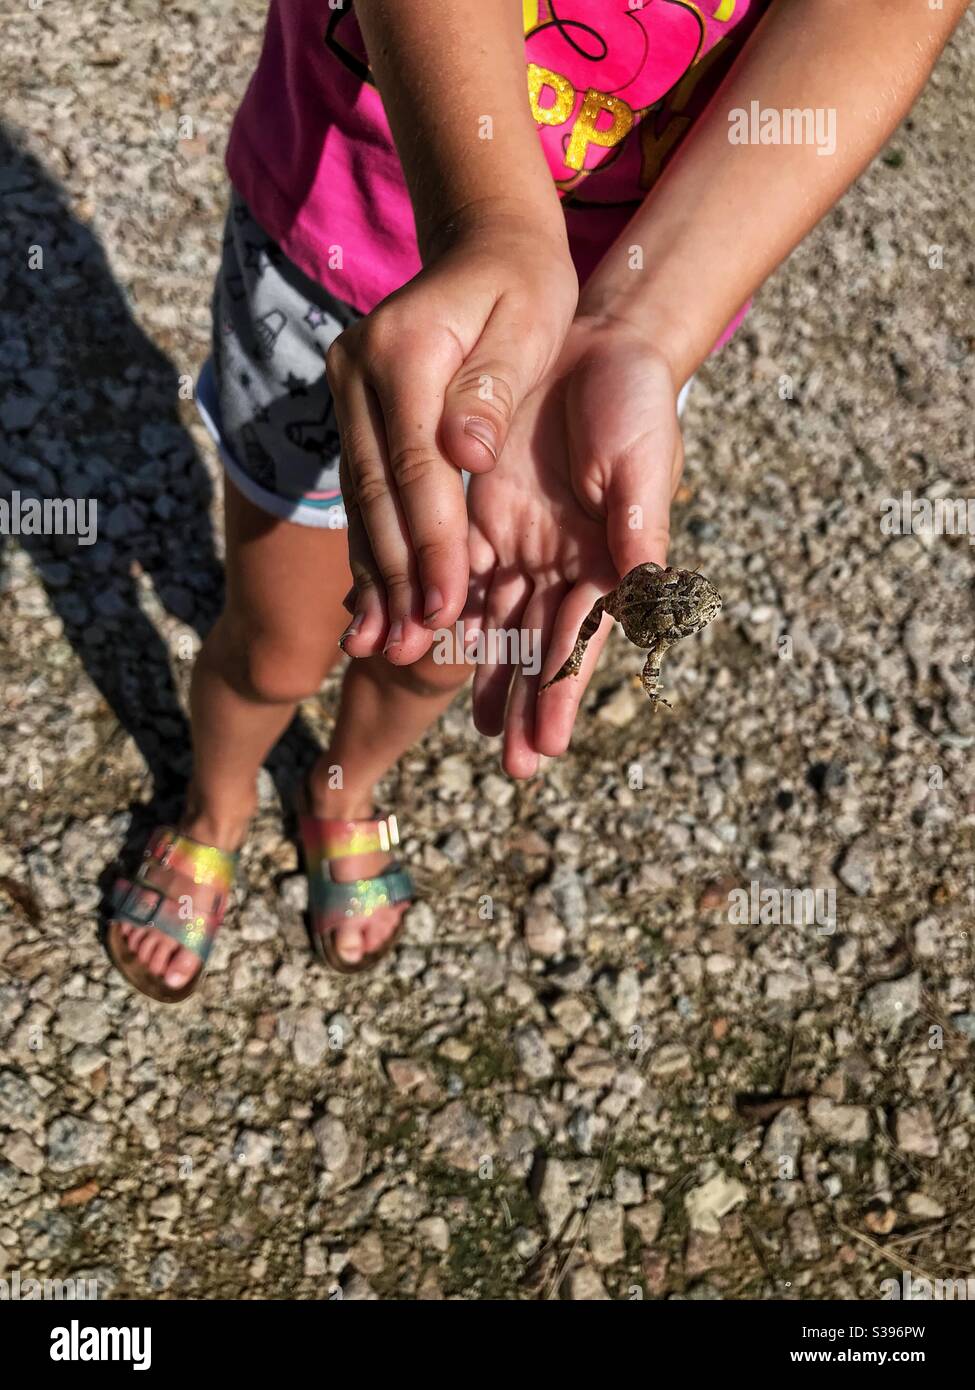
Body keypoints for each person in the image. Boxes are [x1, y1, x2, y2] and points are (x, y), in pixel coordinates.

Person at [106, 0, 967, 1000]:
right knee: (276, 642)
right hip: (334, 242)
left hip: (633, 298)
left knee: (443, 647)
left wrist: (639, 329)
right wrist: (495, 224)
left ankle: (346, 787)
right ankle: (215, 806)